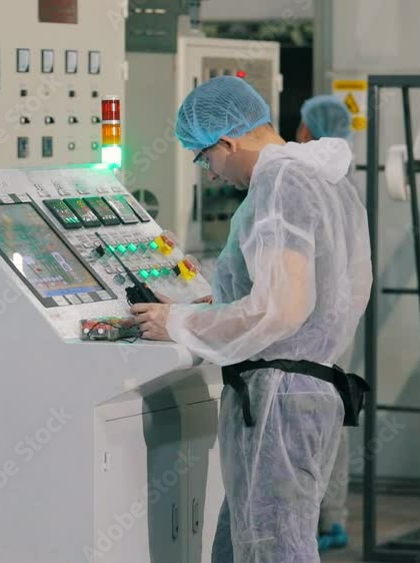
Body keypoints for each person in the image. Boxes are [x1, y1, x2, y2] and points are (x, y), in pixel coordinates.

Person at [132, 76, 372, 563]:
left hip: (280, 401)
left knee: (274, 548)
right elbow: (287, 282)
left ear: (227, 141)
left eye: (205, 158)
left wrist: (179, 324)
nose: (210, 174)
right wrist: (202, 284)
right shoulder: (319, 176)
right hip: (297, 392)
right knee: (245, 540)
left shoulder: (281, 181)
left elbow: (280, 308)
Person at [296, 93, 355, 553]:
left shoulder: (302, 184)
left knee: (304, 426)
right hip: (341, 324)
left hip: (310, 330)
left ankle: (308, 519)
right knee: (334, 419)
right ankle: (333, 519)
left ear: (305, 132)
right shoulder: (345, 183)